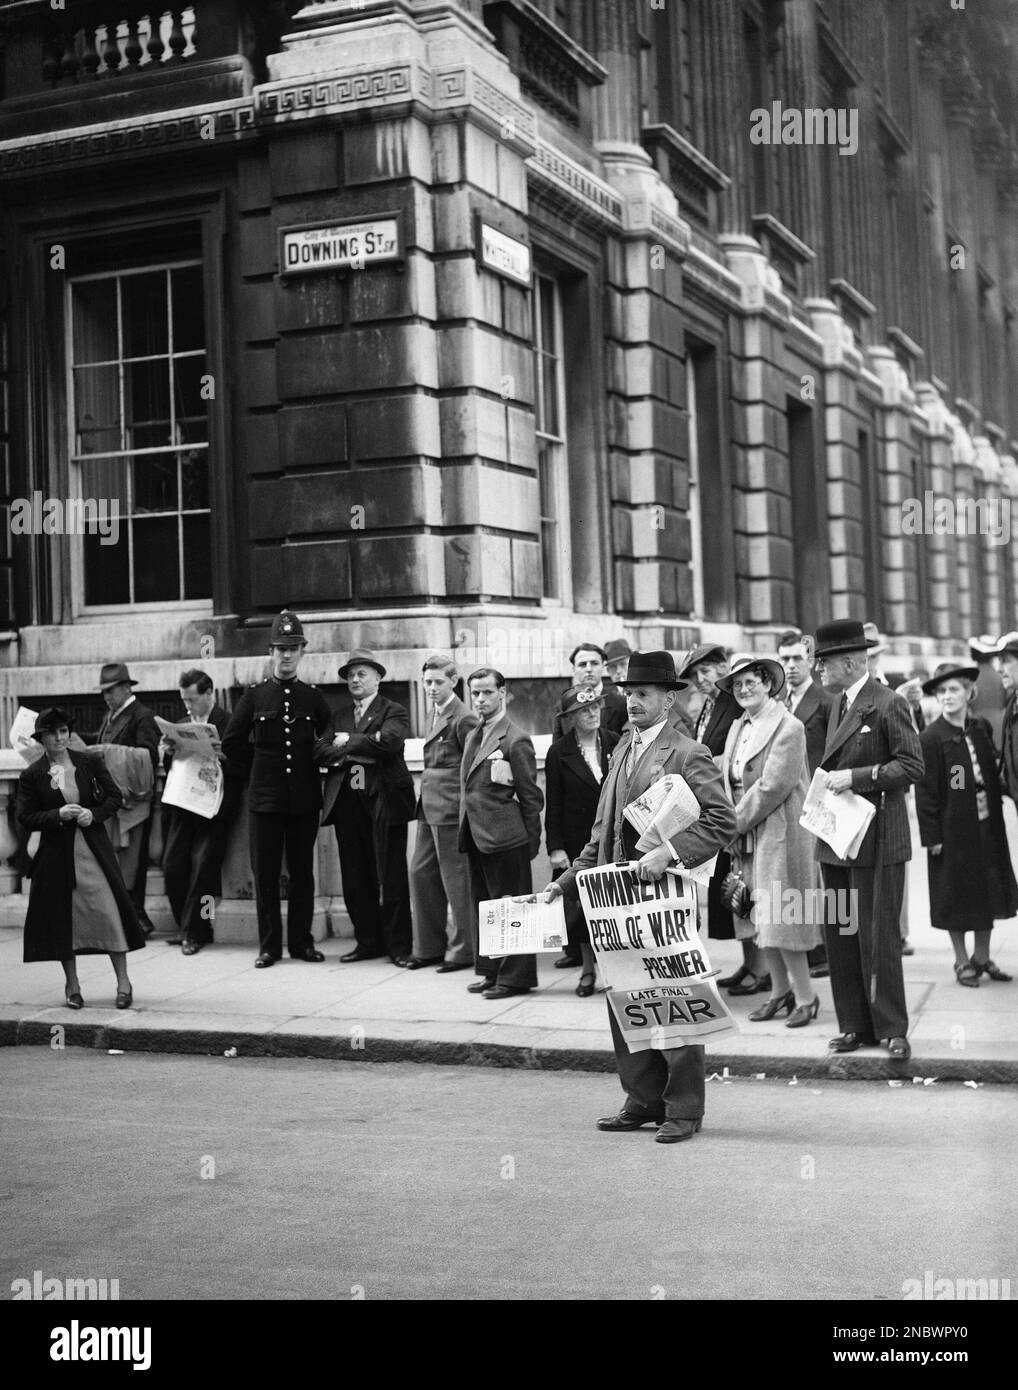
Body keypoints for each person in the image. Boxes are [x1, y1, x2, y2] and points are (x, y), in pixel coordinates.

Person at [539, 651, 736, 1143]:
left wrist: (668, 852)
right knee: (627, 996)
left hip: (664, 900)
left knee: (676, 999)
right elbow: (600, 833)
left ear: (669, 699)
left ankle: (684, 1109)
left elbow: (722, 822)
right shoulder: (623, 749)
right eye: (628, 693)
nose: (631, 702)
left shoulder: (689, 753)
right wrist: (563, 883)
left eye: (643, 694)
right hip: (614, 903)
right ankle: (643, 1099)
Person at [814, 619, 924, 1060]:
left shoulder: (887, 702)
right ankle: (855, 1025)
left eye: (824, 662)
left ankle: (893, 1028)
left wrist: (856, 778)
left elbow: (912, 766)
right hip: (839, 837)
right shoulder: (839, 704)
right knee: (842, 934)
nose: (819, 669)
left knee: (877, 938)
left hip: (878, 840)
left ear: (850, 662)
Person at [222, 610, 333, 968]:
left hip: (303, 799)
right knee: (266, 875)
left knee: (302, 874)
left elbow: (328, 736)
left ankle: (301, 943)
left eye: (293, 649)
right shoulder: (255, 697)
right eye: (280, 649)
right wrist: (256, 767)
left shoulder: (313, 698)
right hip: (265, 800)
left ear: (302, 652)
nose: (286, 656)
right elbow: (232, 742)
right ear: (270, 652)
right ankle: (269, 946)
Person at [17, 708, 146, 1009]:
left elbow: (114, 798)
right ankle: (72, 986)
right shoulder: (33, 774)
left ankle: (124, 982)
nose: (59, 738)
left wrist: (94, 814)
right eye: (52, 733)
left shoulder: (89, 762)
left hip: (93, 851)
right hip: (57, 857)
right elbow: (25, 816)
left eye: (63, 731)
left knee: (109, 913)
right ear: (42, 738)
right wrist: (56, 815)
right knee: (66, 922)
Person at [718, 657, 821, 1027]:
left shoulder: (788, 727)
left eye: (750, 682)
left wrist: (730, 823)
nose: (744, 690)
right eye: (737, 685)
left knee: (783, 920)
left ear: (767, 683)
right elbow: (728, 776)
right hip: (747, 836)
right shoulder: (738, 727)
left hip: (779, 833)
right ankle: (780, 993)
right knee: (760, 921)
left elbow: (773, 786)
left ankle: (807, 997)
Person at [916, 663, 1015, 987]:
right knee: (956, 894)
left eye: (953, 690)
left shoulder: (979, 728)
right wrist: (931, 836)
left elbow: (994, 767)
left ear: (969, 692)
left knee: (988, 888)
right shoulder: (932, 738)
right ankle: (961, 960)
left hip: (987, 825)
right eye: (941, 691)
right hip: (952, 832)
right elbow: (927, 792)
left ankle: (982, 956)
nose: (946, 696)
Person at [680, 643, 767, 995]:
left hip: (737, 811)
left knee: (745, 890)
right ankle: (750, 964)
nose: (700, 680)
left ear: (722, 668)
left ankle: (763, 970)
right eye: (695, 675)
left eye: (706, 671)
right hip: (716, 811)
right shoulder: (709, 705)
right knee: (732, 892)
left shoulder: (733, 703)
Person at [319, 650, 416, 965]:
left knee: (392, 875)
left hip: (384, 799)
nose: (355, 680)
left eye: (361, 673)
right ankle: (368, 941)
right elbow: (319, 749)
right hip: (348, 801)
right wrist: (362, 743)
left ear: (377, 677)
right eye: (350, 675)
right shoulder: (339, 715)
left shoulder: (394, 710)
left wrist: (346, 743)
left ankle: (399, 947)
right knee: (355, 877)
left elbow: (389, 743)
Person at [459, 668, 544, 999]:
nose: (480, 699)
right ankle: (491, 971)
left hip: (506, 839)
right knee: (485, 907)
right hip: (477, 835)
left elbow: (531, 797)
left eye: (486, 693)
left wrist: (531, 842)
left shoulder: (515, 738)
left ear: (502, 694)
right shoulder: (474, 735)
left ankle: (515, 978)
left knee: (513, 908)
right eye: (475, 693)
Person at [160, 669, 244, 955]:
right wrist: (168, 749)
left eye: (193, 700)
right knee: (172, 866)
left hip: (215, 806)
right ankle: (185, 926)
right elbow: (172, 763)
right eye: (184, 700)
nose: (188, 706)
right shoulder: (183, 722)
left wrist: (225, 757)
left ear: (209, 694)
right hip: (184, 803)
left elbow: (245, 765)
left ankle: (197, 931)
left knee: (203, 870)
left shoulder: (229, 722)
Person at [544, 685, 620, 997]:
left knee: (614, 909)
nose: (591, 714)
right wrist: (556, 847)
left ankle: (618, 972)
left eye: (595, 708)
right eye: (583, 710)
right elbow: (554, 802)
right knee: (583, 911)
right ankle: (588, 971)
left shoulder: (615, 741)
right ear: (571, 717)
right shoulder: (559, 751)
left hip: (613, 840)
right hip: (578, 841)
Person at [405, 654, 479, 972]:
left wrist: (465, 813)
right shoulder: (433, 714)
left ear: (453, 682)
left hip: (450, 811)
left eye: (438, 682)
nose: (431, 688)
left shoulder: (464, 718)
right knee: (420, 874)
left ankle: (463, 951)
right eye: (427, 682)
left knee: (456, 882)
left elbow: (471, 770)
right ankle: (428, 947)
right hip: (428, 808)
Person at [777, 628, 834, 979]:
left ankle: (823, 950)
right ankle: (804, 947)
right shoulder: (778, 703)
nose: (792, 665)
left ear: (811, 660)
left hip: (818, 802)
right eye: (785, 659)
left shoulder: (826, 700)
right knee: (794, 880)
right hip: (787, 806)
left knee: (818, 880)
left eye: (798, 658)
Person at [93, 662, 160, 935]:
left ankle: (137, 918)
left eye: (110, 690)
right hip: (115, 803)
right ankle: (131, 918)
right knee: (118, 863)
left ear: (124, 687)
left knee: (133, 864)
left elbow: (149, 756)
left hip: (133, 805)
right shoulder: (111, 715)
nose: (106, 696)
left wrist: (107, 750)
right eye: (104, 692)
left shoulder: (142, 715)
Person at [551, 644, 628, 741]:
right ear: (574, 670)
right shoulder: (563, 706)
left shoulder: (622, 703)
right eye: (582, 664)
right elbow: (557, 748)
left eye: (594, 663)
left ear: (603, 667)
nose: (589, 669)